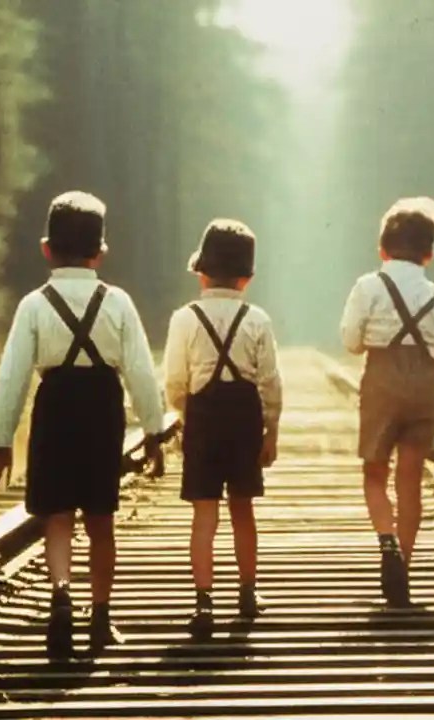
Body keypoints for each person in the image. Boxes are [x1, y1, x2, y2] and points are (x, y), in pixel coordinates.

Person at [0, 191, 166, 656]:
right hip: (102, 407)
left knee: (58, 514)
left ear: (46, 249)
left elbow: (12, 376)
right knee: (101, 518)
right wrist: (152, 430)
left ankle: (61, 594)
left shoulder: (34, 304)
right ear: (100, 253)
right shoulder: (117, 302)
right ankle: (100, 616)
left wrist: (1, 440)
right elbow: (141, 372)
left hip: (55, 405)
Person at [164, 219, 282, 640]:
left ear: (201, 272)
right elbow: (269, 382)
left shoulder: (185, 318)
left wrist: (185, 415)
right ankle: (248, 592)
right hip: (244, 418)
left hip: (204, 417)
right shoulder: (257, 319)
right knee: (242, 508)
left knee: (204, 513)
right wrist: (271, 429)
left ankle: (203, 600)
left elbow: (174, 380)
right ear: (247, 278)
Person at [340, 196, 434, 607]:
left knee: (375, 473)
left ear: (382, 249)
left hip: (382, 381)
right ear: (429, 253)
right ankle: (403, 566)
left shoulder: (367, 286)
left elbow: (351, 342)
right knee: (410, 480)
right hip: (423, 384)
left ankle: (387, 543)